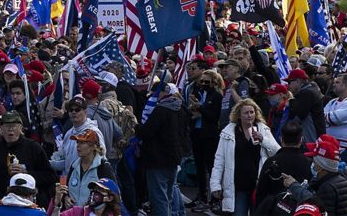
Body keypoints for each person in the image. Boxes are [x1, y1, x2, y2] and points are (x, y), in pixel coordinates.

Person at [210, 98, 280, 216]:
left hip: (258, 185)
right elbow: (219, 160)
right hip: (238, 185)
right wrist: (215, 184)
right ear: (239, 115)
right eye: (246, 113)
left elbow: (277, 153)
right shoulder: (228, 133)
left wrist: (263, 140)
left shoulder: (263, 129)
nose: (249, 115)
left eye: (252, 112)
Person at [0, 111, 55, 208]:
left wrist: (27, 173)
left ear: (21, 128)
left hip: (27, 206)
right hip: (1, 204)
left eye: (14, 125)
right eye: (7, 126)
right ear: (1, 129)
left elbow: (50, 176)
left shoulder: (33, 147)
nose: (10, 129)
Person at [134, 82, 186, 216]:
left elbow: (146, 132)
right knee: (168, 196)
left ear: (162, 93)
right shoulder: (180, 109)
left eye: (155, 93)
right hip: (173, 158)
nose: (153, 96)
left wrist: (136, 126)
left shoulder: (160, 110)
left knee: (159, 199)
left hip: (158, 159)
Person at [280, 134, 347, 216]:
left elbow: (316, 205)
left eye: (314, 162)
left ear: (320, 167)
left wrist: (293, 185)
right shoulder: (342, 180)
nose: (312, 164)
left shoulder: (327, 187)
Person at [253, 120, 312, 209]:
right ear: (301, 140)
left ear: (281, 139)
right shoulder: (309, 163)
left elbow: (261, 193)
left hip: (274, 210)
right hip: (300, 211)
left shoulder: (271, 161)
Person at [188, 67, 223, 212]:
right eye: (201, 81)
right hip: (197, 134)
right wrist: (193, 109)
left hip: (210, 136)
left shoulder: (216, 96)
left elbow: (214, 117)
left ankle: (215, 199)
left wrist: (200, 109)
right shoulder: (198, 93)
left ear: (214, 82)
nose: (202, 83)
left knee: (211, 167)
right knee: (199, 168)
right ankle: (201, 197)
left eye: (206, 81)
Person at [53, 129, 115, 211]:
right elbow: (66, 190)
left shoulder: (103, 167)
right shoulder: (74, 165)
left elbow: (113, 196)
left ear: (93, 146)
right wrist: (66, 198)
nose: (78, 145)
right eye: (77, 142)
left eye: (82, 142)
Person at [49, 96, 105, 176]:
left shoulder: (93, 132)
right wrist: (52, 163)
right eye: (71, 110)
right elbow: (66, 160)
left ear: (85, 112)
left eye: (77, 110)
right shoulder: (68, 134)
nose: (73, 112)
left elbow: (102, 158)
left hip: (88, 180)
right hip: (69, 181)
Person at [324, 73, 347, 168]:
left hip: (345, 150)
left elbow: (332, 119)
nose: (334, 84)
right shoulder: (332, 102)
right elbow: (322, 118)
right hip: (330, 149)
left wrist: (327, 117)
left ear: (345, 85)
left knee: (343, 179)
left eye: (337, 82)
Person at [286, 68, 326, 144]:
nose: (288, 85)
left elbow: (299, 116)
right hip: (314, 135)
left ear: (298, 81)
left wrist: (290, 103)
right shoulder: (310, 89)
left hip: (311, 138)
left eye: (289, 82)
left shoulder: (307, 93)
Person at [54, 177, 124, 216]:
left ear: (109, 198)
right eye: (94, 189)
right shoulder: (77, 212)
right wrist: (57, 202)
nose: (94, 192)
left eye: (99, 190)